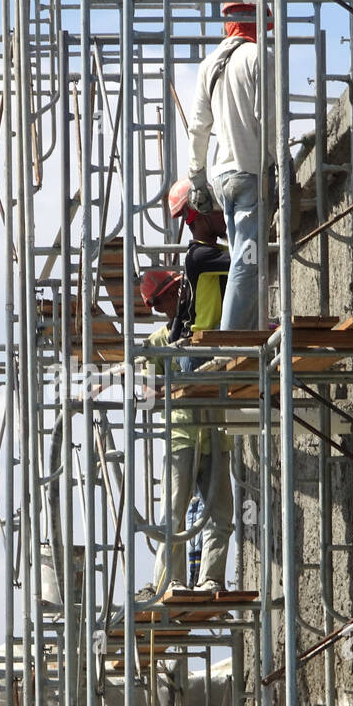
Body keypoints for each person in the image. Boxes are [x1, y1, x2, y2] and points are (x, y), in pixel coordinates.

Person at [136, 180, 235, 597]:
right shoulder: (164, 341)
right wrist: (151, 387)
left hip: (213, 429)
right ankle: (169, 581)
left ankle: (210, 576)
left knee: (221, 511)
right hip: (181, 433)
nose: (168, 306)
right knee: (174, 513)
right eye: (162, 305)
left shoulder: (188, 328)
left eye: (167, 299)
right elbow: (143, 377)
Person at [186, 0, 276, 332]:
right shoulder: (258, 57)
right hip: (249, 172)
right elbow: (269, 121)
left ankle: (247, 331)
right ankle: (231, 341)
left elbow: (198, 128)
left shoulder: (210, 64)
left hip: (222, 177)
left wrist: (196, 178)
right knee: (247, 260)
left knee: (245, 255)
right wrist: (278, 166)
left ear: (228, 22)